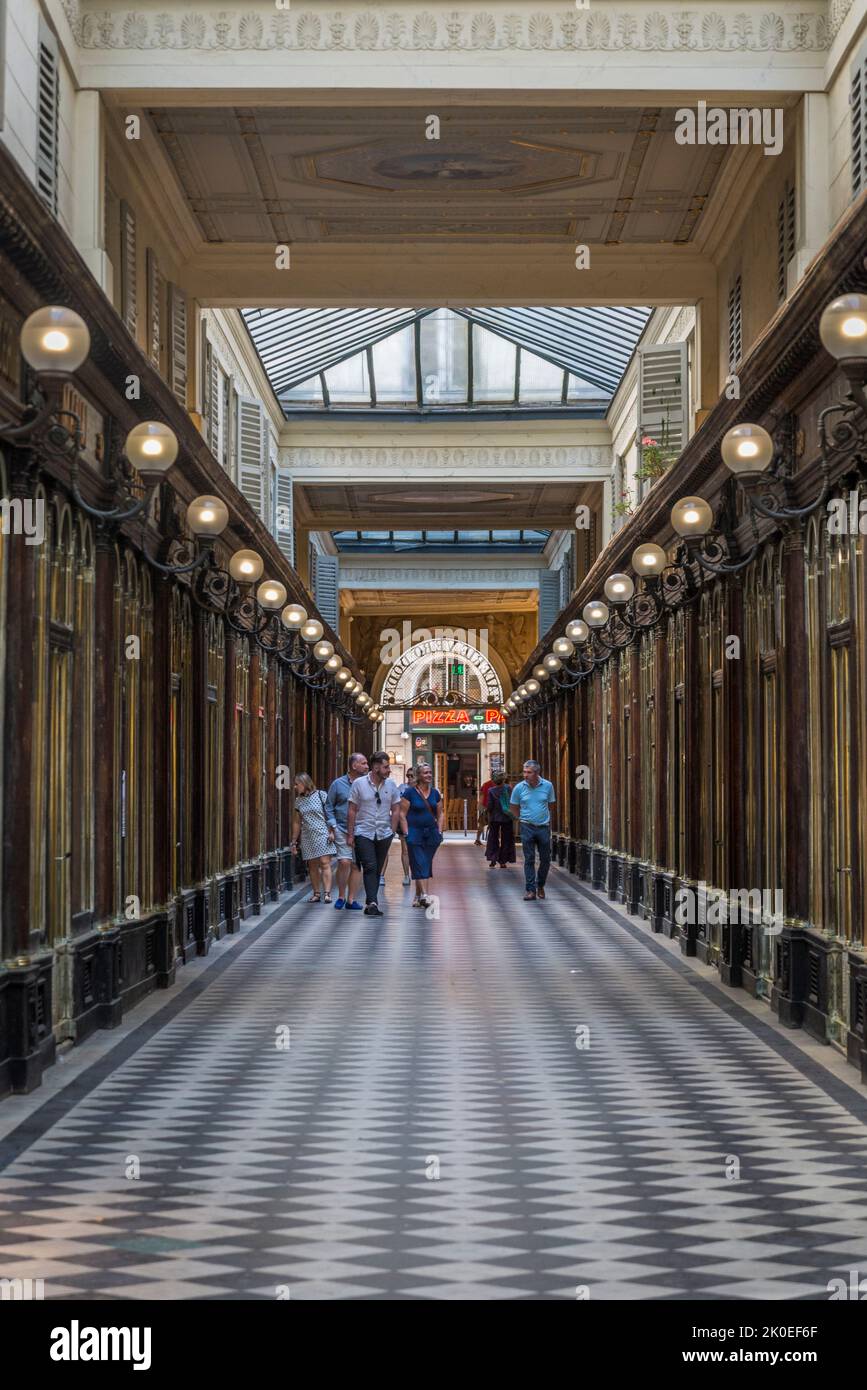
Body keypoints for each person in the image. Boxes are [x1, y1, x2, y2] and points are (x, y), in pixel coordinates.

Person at [346, 750, 402, 916]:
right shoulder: (359, 784)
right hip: (364, 831)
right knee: (369, 865)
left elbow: (396, 808)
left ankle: (372, 900)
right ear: (376, 767)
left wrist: (392, 831)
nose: (389, 770)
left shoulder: (391, 785)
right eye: (386, 767)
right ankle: (372, 902)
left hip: (384, 833)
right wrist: (350, 834)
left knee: (377, 868)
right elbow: (352, 810)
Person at [325, 752, 368, 910]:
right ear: (353, 765)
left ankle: (351, 900)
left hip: (362, 829)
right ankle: (341, 896)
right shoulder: (338, 784)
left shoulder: (367, 784)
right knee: (344, 862)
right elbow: (329, 806)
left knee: (356, 865)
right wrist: (333, 825)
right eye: (363, 763)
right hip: (342, 828)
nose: (367, 766)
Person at [509, 759, 556, 901]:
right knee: (529, 859)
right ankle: (530, 890)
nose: (525, 775)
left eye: (528, 772)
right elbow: (513, 806)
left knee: (545, 859)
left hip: (543, 827)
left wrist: (544, 817)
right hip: (527, 826)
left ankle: (540, 884)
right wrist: (522, 818)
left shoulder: (548, 786)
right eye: (524, 771)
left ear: (536, 773)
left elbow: (551, 804)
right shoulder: (519, 788)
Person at [399, 762, 444, 908]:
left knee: (424, 863)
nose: (429, 775)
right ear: (419, 775)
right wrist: (406, 832)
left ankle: (418, 896)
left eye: (430, 772)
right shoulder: (409, 793)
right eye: (425, 773)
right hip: (414, 832)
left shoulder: (435, 793)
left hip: (431, 833)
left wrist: (440, 830)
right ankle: (425, 895)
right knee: (419, 862)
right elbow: (402, 814)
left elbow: (440, 813)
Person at [290, 772, 337, 903]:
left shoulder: (321, 795)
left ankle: (327, 893)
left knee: (324, 863)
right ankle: (316, 893)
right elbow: (297, 822)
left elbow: (330, 815)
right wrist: (294, 841)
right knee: (312, 866)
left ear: (304, 783)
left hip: (323, 833)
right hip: (307, 836)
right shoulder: (298, 801)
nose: (295, 787)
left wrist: (332, 831)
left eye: (296, 784)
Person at [485, 770, 516, 869]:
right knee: (506, 839)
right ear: (504, 779)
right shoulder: (508, 788)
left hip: (494, 818)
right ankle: (503, 861)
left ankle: (493, 859)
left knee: (493, 838)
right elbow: (513, 802)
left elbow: (490, 806)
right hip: (507, 817)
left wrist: (488, 813)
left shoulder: (491, 791)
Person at [397, 765, 416, 885]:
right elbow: (397, 803)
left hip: (417, 822)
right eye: (407, 776)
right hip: (404, 821)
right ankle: (406, 875)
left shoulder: (423, 789)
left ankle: (418, 874)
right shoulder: (402, 788)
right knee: (405, 850)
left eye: (412, 776)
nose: (409, 778)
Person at [474, 770, 496, 846]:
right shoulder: (499, 785)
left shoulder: (486, 784)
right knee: (494, 824)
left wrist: (480, 806)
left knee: (482, 824)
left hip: (485, 807)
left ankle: (477, 839)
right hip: (494, 808)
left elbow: (481, 795)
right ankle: (493, 840)